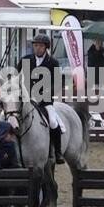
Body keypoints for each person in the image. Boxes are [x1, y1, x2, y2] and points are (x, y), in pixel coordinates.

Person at [18, 33, 64, 164]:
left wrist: (46, 95)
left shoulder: (52, 62)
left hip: (45, 101)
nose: (37, 48)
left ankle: (57, 152)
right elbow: (15, 78)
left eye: (40, 46)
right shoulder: (25, 60)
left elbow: (57, 82)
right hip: (27, 100)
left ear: (46, 47)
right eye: (35, 45)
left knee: (53, 122)